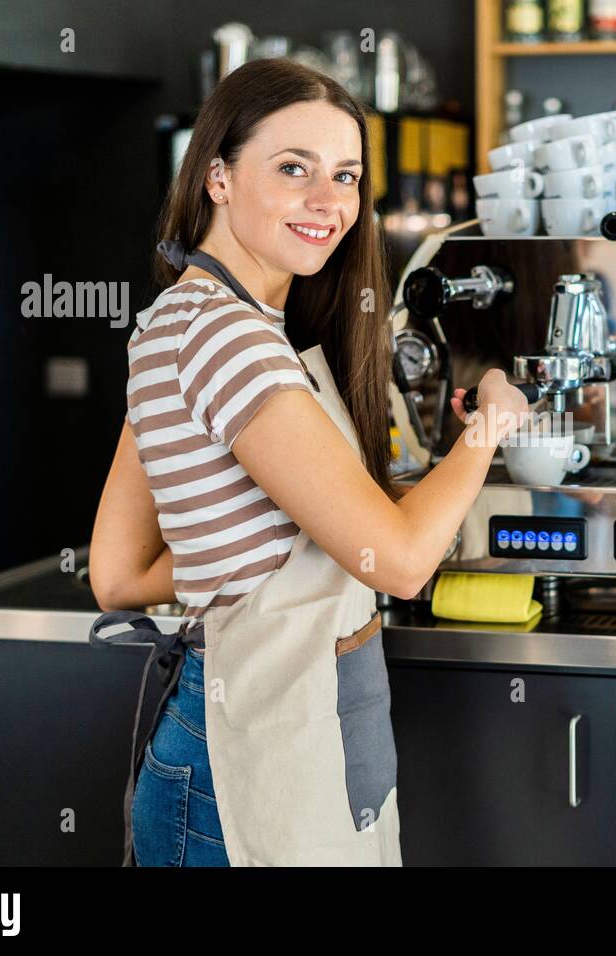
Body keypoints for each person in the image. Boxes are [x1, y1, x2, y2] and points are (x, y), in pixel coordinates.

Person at [87, 58, 526, 866]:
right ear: (217, 175)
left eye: (347, 176)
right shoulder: (234, 342)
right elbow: (397, 561)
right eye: (294, 169)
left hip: (231, 727)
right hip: (253, 758)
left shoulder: (171, 319)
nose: (330, 202)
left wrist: (260, 550)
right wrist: (489, 423)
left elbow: (117, 573)